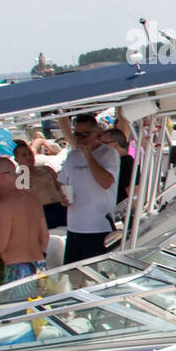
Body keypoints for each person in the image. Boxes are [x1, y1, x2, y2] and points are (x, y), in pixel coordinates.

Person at [0, 157, 49, 302]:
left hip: (18, 270)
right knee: (39, 318)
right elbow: (44, 237)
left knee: (17, 318)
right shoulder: (32, 199)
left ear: (2, 176)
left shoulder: (4, 206)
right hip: (40, 266)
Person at [57, 112, 118, 265]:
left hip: (99, 228)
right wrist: (63, 197)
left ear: (97, 134)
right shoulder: (72, 156)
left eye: (85, 134)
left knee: (98, 275)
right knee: (74, 276)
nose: (80, 138)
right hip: (74, 227)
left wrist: (89, 156)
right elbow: (62, 182)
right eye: (77, 135)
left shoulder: (109, 154)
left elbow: (105, 182)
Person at [12, 140, 66, 228]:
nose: (29, 157)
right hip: (43, 212)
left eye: (30, 153)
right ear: (16, 159)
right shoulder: (19, 179)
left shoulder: (46, 169)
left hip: (60, 206)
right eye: (24, 155)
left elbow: (61, 187)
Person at [99, 126, 135, 205]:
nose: (100, 147)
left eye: (104, 144)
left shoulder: (127, 162)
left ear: (115, 144)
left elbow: (133, 193)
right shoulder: (114, 162)